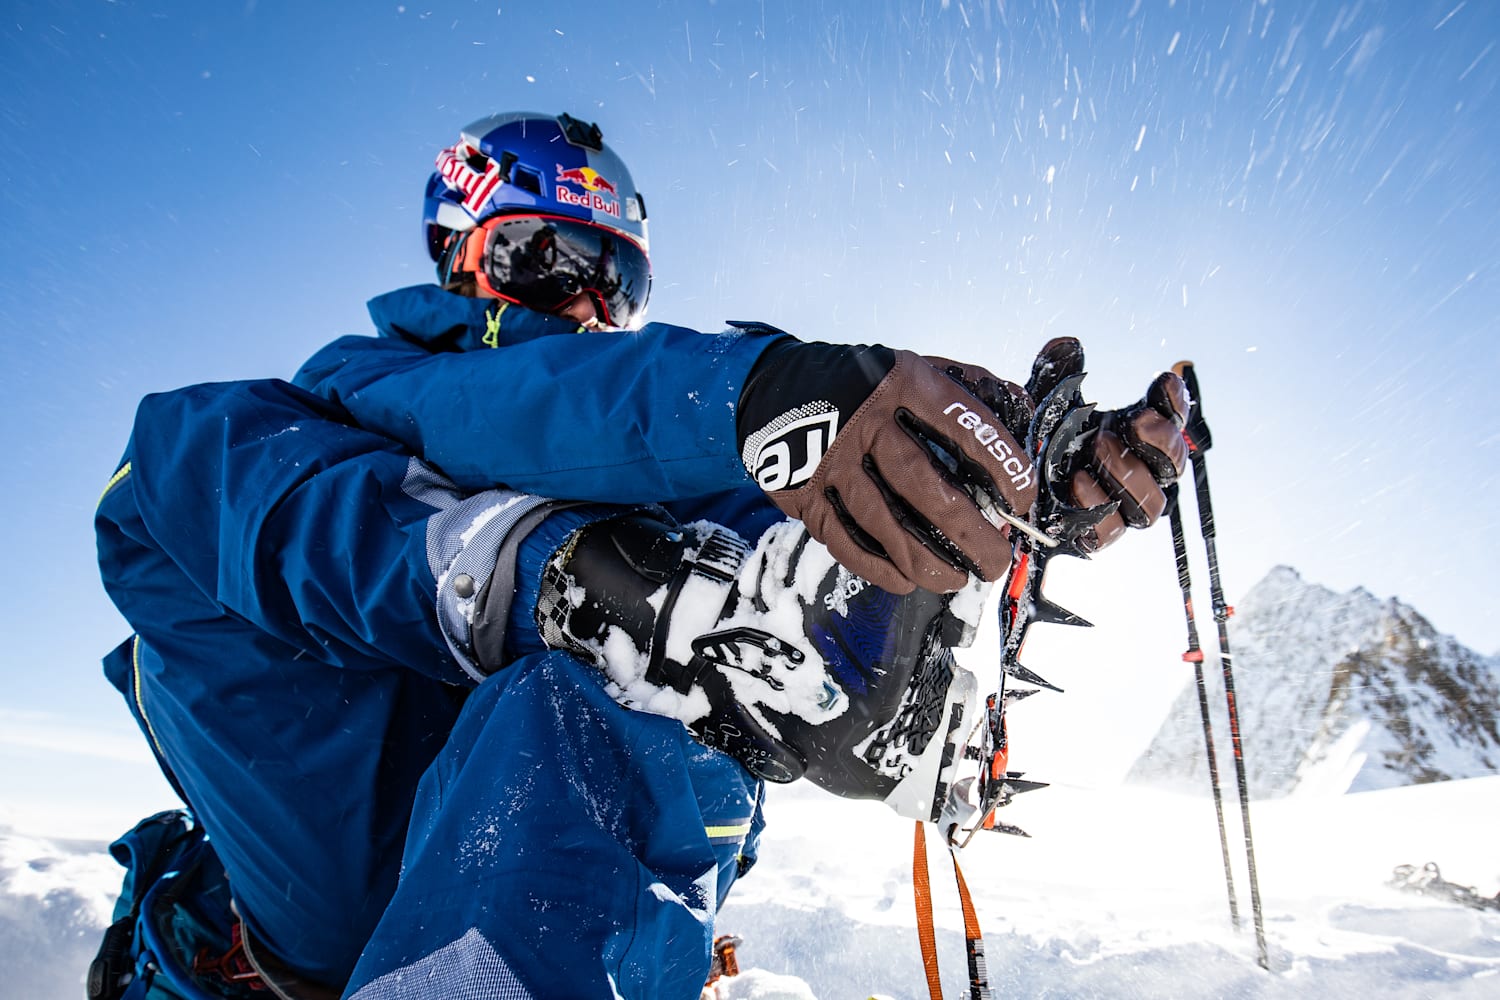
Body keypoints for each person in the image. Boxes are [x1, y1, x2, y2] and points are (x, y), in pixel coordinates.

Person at [93, 111, 1188, 1000]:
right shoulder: (345, 397)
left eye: (614, 280)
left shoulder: (669, 466)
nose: (584, 301)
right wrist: (583, 557)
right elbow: (510, 406)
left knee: (662, 657)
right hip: (313, 884)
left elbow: (795, 542)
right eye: (545, 259)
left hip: (549, 911)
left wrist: (988, 496)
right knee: (199, 454)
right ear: (463, 260)